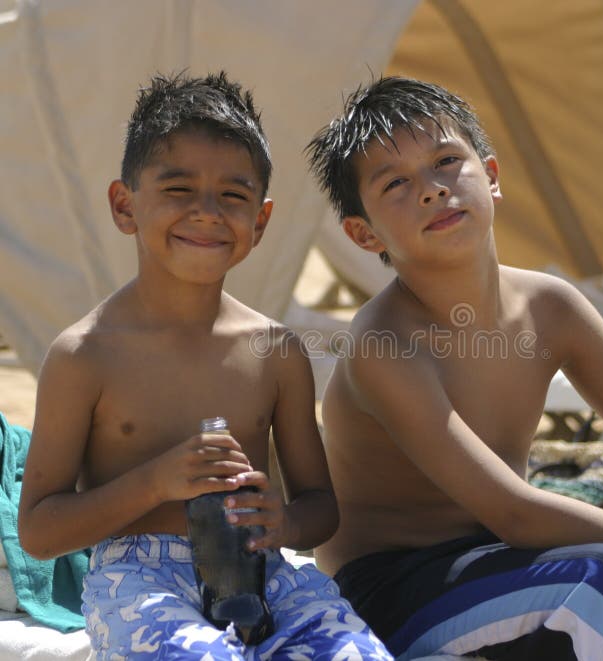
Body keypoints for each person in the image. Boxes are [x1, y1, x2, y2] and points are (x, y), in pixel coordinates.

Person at [306, 75, 603, 661]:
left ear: (490, 175)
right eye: (396, 184)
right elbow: (514, 510)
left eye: (446, 162)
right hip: (396, 590)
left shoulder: (552, 307)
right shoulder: (383, 344)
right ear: (364, 234)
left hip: (507, 560)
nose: (433, 190)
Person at [17, 71, 391, 661]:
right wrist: (156, 482)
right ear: (125, 205)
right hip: (135, 582)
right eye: (178, 189)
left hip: (260, 570)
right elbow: (38, 531)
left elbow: (320, 508)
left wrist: (283, 525)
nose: (207, 213)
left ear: (260, 222)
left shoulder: (274, 351)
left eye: (233, 197)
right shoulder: (85, 354)